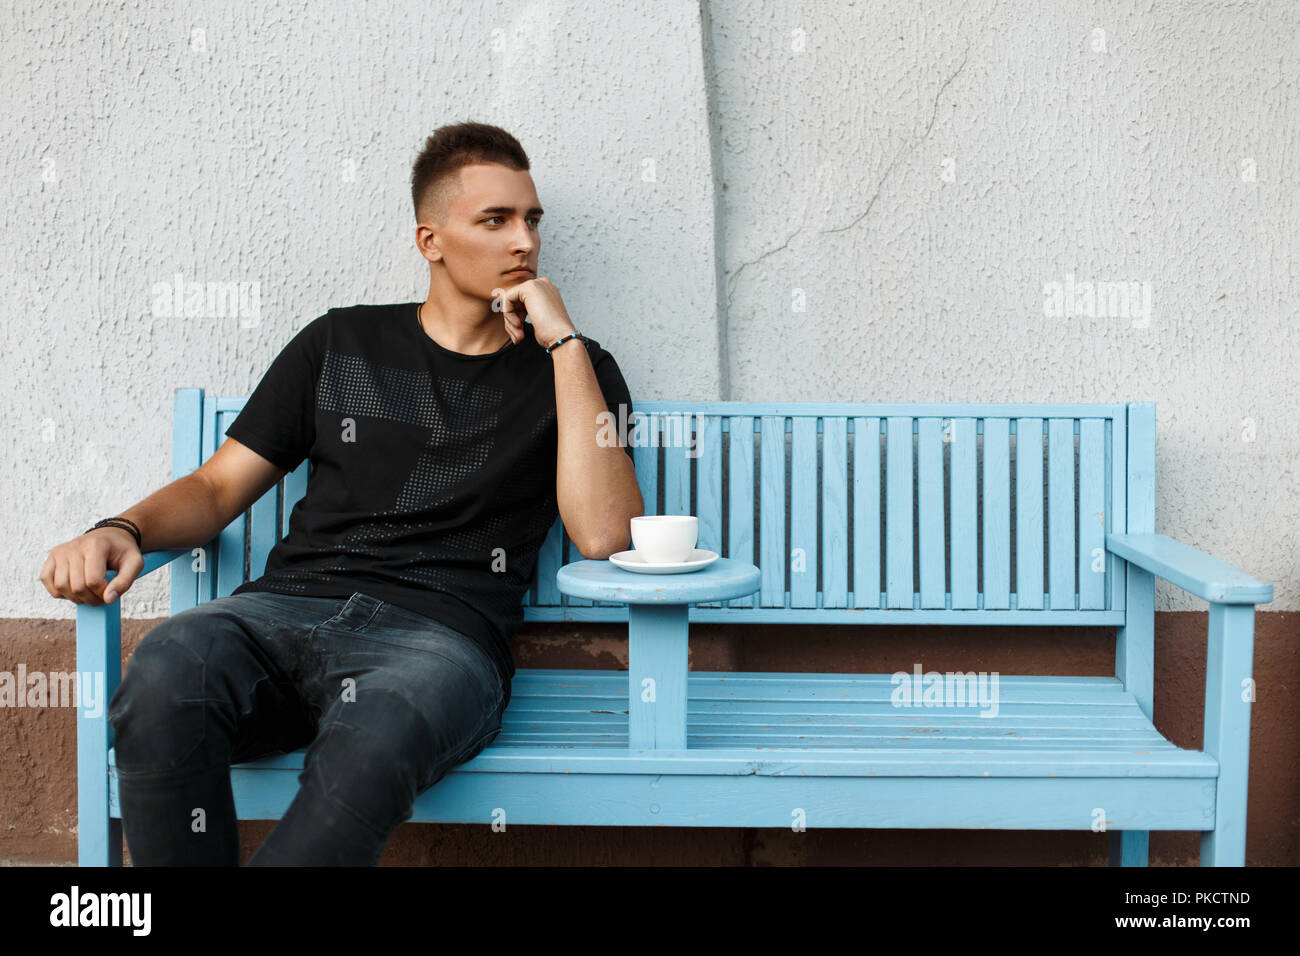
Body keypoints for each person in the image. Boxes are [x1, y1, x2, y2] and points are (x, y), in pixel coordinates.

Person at [39, 121, 644, 865]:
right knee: (168, 669)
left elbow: (605, 533)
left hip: (440, 641)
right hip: (281, 612)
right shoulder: (340, 344)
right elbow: (217, 484)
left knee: (376, 738)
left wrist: (564, 345)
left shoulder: (576, 370)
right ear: (431, 241)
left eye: (531, 220)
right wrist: (123, 528)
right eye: (496, 220)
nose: (524, 242)